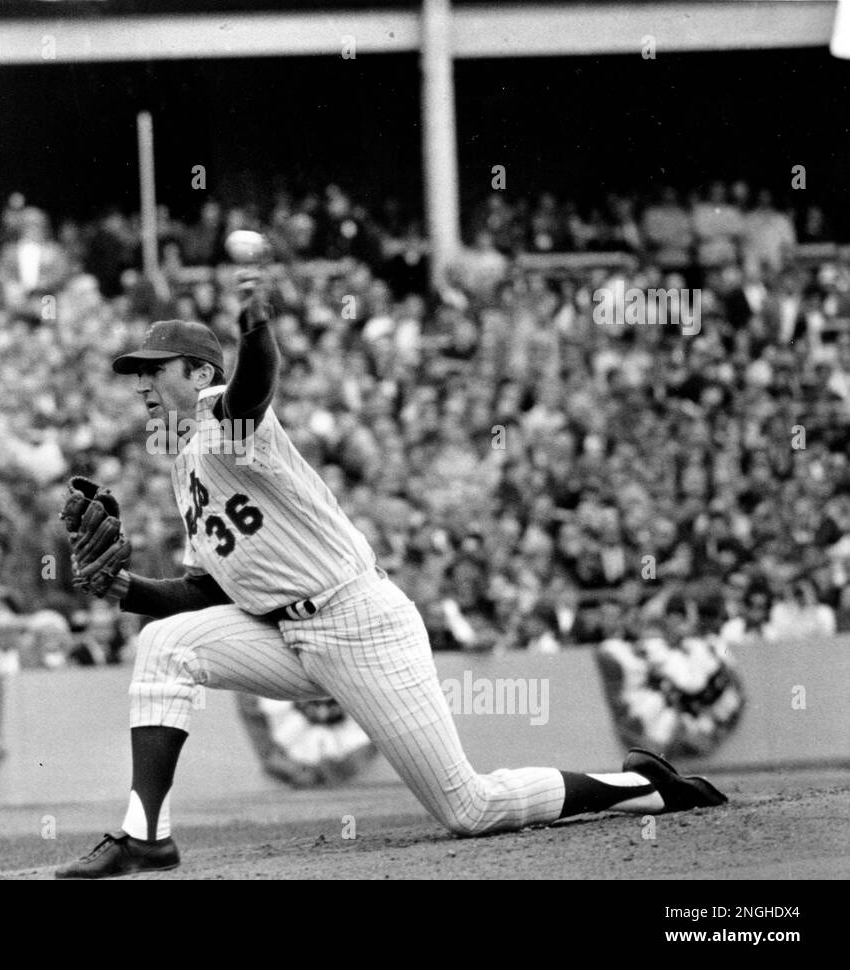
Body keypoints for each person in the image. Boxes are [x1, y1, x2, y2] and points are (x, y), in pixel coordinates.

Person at [54, 265, 727, 879]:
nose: (140, 382)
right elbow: (205, 589)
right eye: (135, 370)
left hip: (360, 625)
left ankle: (641, 788)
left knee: (468, 808)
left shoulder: (222, 419)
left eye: (153, 367)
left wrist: (255, 325)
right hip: (287, 637)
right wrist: (128, 589)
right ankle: (146, 835)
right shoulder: (184, 464)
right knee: (162, 644)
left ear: (199, 374)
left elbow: (254, 385)